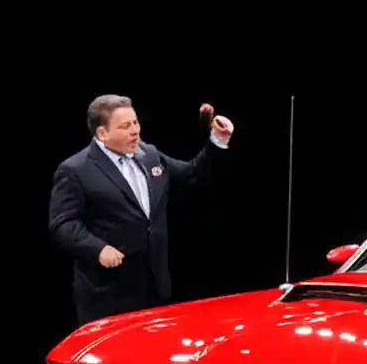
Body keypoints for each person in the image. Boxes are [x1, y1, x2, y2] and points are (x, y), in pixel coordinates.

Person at [48, 94, 234, 325]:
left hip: (155, 289)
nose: (134, 131)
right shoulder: (75, 170)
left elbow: (192, 175)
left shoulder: (149, 155)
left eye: (135, 122)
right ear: (102, 133)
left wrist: (217, 140)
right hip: (108, 295)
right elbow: (63, 223)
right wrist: (97, 249)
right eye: (125, 126)